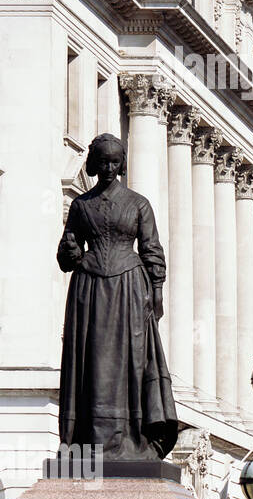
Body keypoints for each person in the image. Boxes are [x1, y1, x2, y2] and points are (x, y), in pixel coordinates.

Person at [57, 133, 179, 461]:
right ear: (94, 164)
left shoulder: (139, 204)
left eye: (115, 161)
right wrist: (70, 251)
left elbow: (152, 250)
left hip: (129, 288)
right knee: (92, 362)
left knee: (131, 360)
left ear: (122, 163)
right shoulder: (82, 206)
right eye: (103, 161)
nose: (109, 167)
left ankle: (133, 437)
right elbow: (65, 257)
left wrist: (156, 292)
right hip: (90, 291)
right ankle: (86, 441)